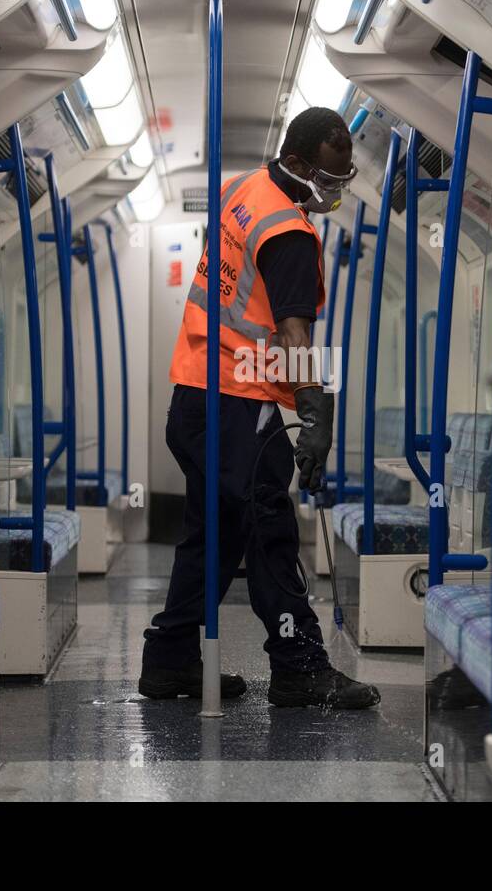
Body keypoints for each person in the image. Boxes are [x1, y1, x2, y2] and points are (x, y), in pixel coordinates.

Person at [138, 107, 381, 709]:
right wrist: (316, 416)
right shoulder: (290, 234)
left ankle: (168, 661)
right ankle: (300, 666)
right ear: (296, 164)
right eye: (328, 180)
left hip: (195, 395)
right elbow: (295, 335)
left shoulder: (243, 188)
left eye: (344, 179)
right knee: (270, 529)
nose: (334, 192)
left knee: (213, 537)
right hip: (240, 405)